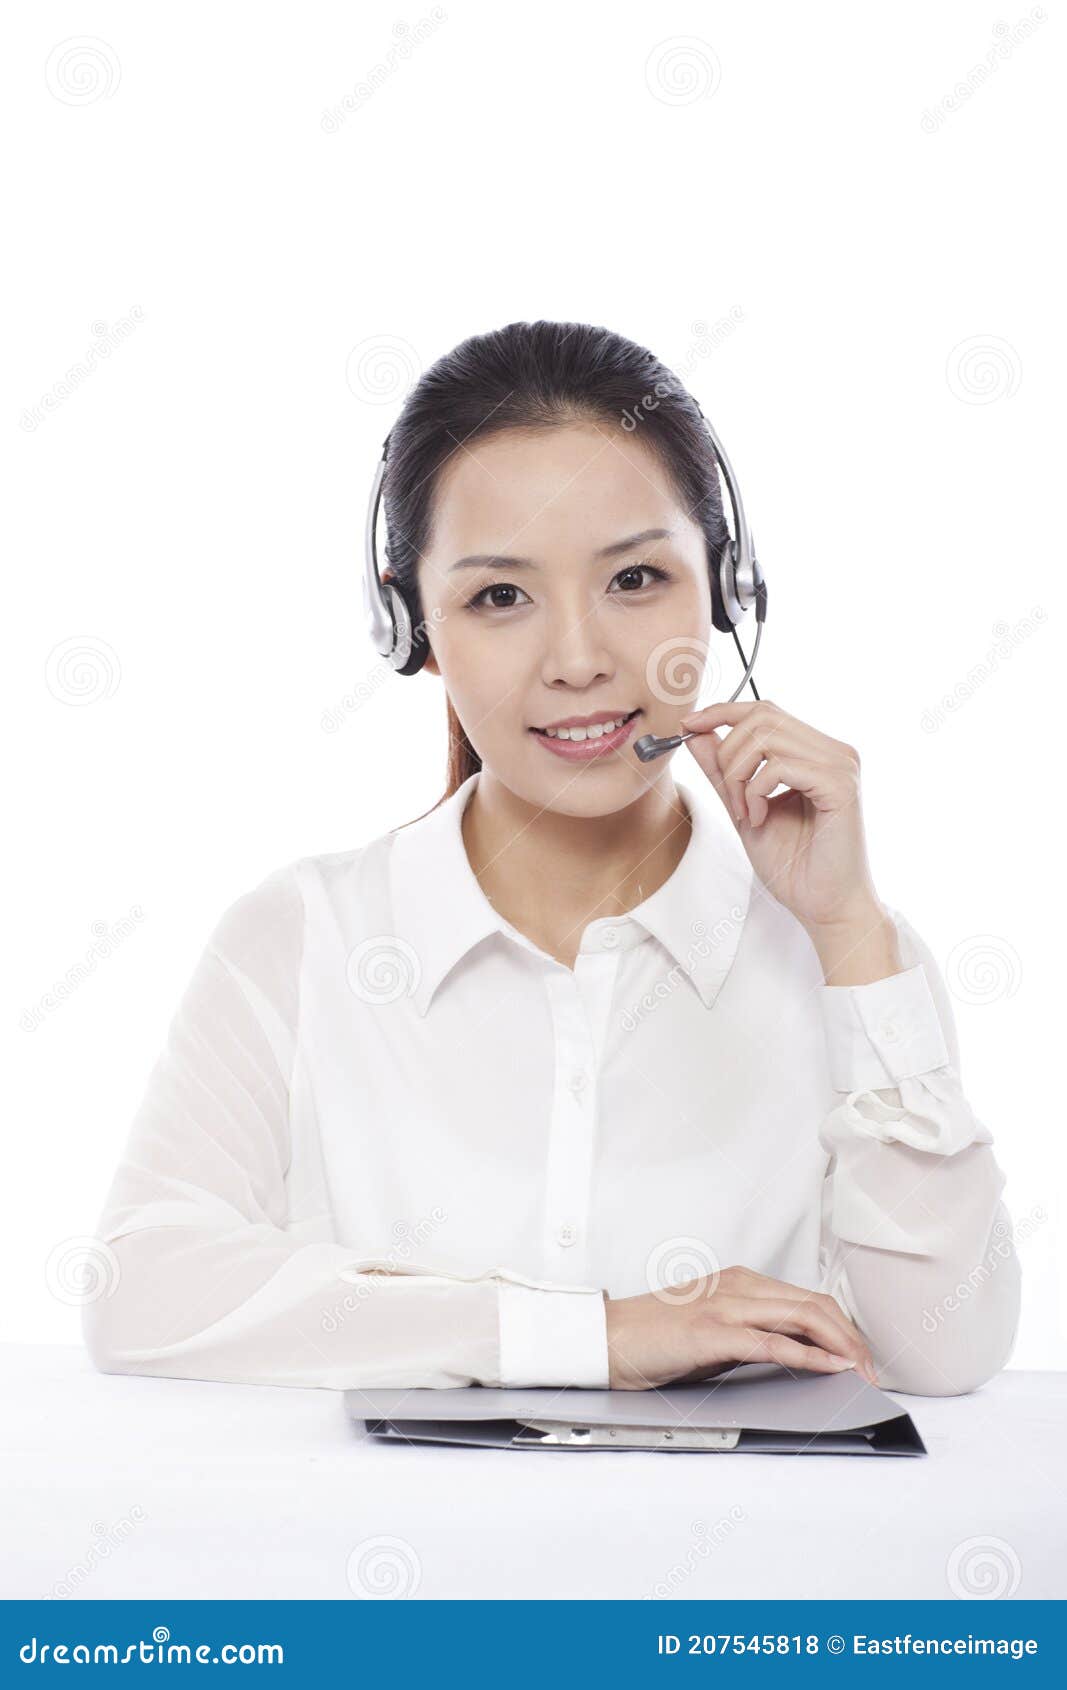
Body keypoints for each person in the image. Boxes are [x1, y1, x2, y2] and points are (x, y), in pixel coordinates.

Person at [83, 319, 1020, 1397]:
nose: (577, 659)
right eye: (498, 597)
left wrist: (849, 935)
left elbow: (941, 1358)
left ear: (723, 589)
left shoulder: (844, 954)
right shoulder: (303, 938)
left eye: (633, 579)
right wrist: (591, 1337)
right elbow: (141, 1290)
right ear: (410, 627)